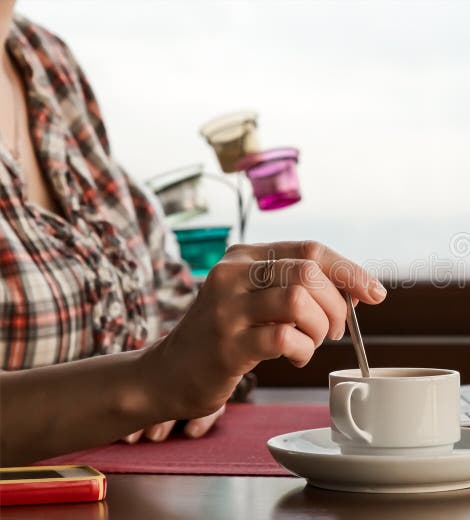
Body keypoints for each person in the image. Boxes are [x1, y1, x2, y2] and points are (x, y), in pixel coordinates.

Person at [0, 5, 387, 466]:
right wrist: (152, 381)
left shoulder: (42, 58)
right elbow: (156, 372)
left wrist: (203, 357)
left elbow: (154, 294)